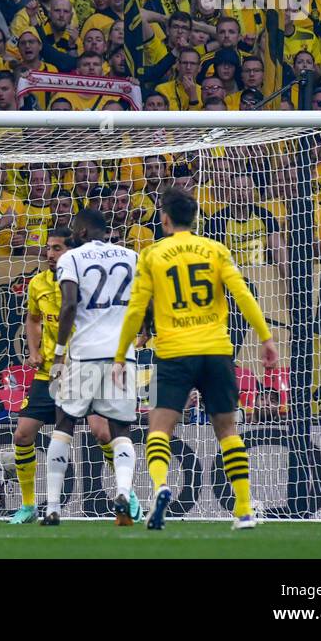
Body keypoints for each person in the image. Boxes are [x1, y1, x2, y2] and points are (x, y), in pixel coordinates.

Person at [115, 188, 278, 531]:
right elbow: (242, 294)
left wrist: (120, 354)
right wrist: (266, 337)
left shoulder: (153, 254)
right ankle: (245, 509)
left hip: (174, 353)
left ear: (165, 218)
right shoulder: (215, 249)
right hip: (217, 351)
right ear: (196, 218)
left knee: (159, 429)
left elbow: (135, 309)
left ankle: (160, 488)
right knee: (228, 430)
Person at [42, 208, 141, 526]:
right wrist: (147, 330)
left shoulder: (72, 258)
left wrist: (59, 352)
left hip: (84, 354)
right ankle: (123, 492)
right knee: (121, 429)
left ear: (82, 232)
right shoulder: (131, 256)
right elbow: (145, 299)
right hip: (122, 355)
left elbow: (69, 304)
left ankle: (53, 506)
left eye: (74, 230)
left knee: (65, 423)